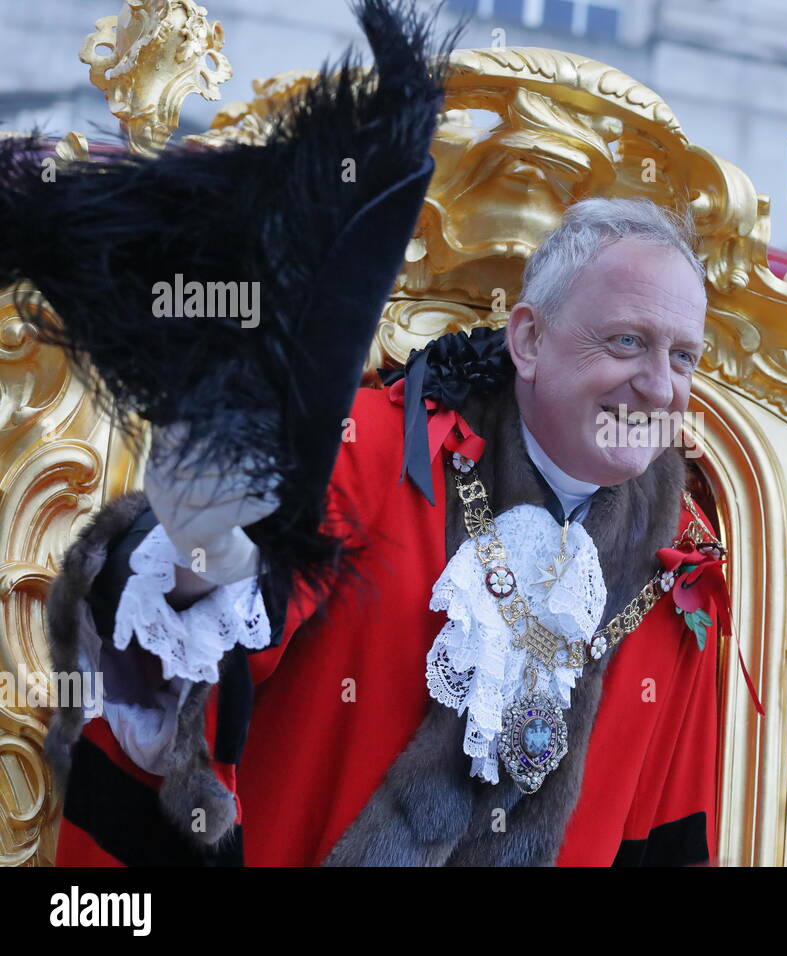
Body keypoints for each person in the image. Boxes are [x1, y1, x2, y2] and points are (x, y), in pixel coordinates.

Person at [44, 196, 731, 867]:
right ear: (529, 339)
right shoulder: (371, 450)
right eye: (627, 341)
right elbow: (198, 647)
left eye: (683, 358)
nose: (658, 386)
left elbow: (666, 833)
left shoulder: (679, 566)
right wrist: (199, 559)